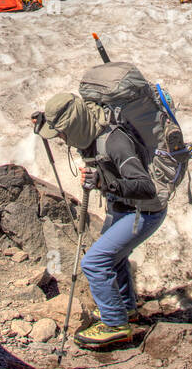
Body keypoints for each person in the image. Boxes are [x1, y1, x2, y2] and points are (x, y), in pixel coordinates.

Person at [35, 86, 167, 350]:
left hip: (143, 211)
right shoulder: (89, 129)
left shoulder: (115, 141)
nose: (61, 139)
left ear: (74, 126)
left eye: (61, 133)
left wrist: (104, 182)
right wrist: (43, 125)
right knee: (113, 257)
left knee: (95, 262)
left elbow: (145, 187)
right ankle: (126, 309)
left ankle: (115, 325)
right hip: (123, 208)